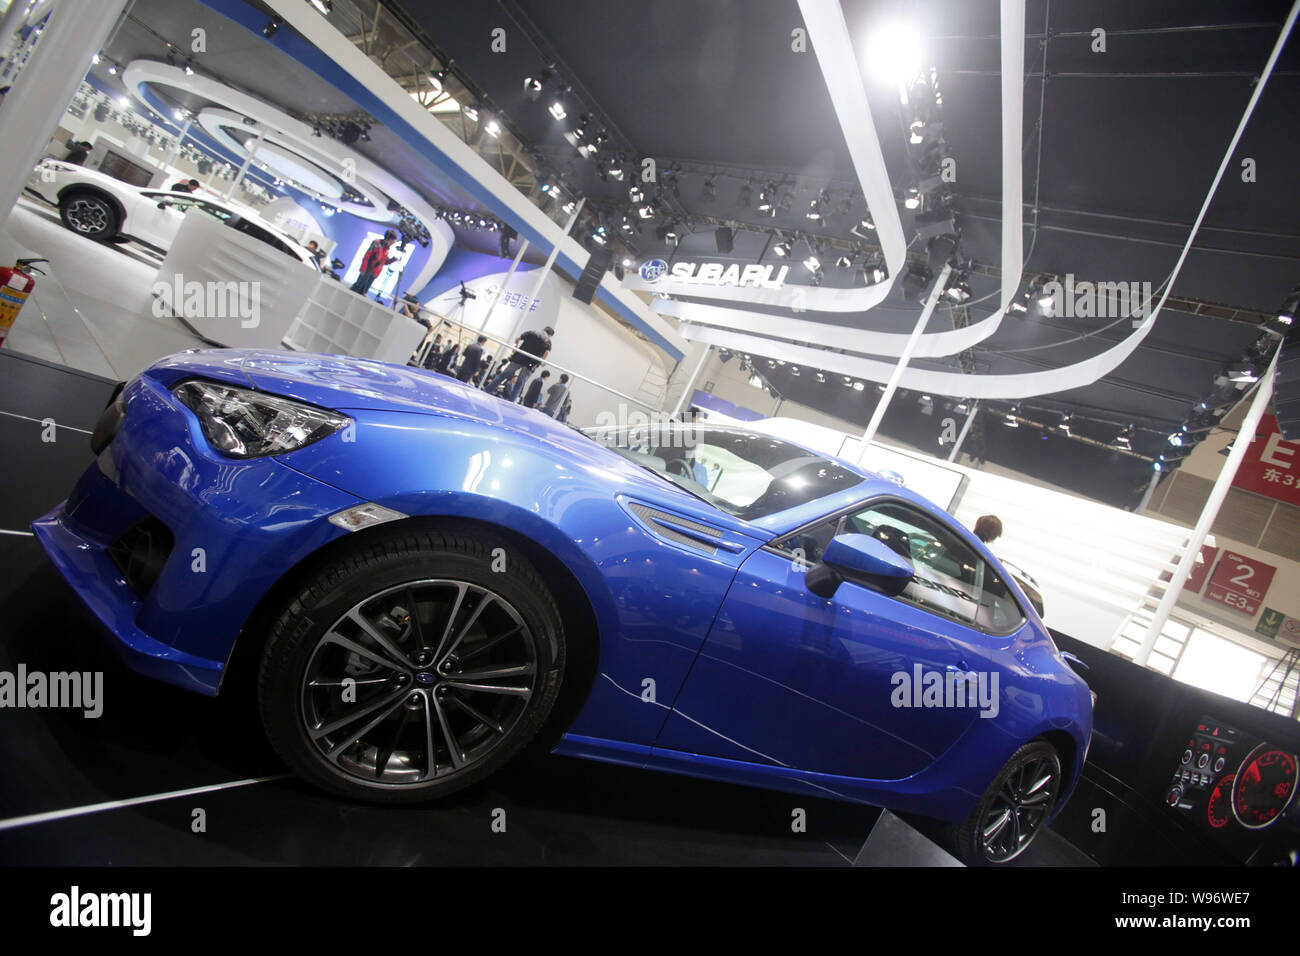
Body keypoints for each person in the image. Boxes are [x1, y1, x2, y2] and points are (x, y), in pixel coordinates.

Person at [484, 325, 553, 401]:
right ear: (550, 335)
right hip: (531, 363)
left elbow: (517, 339)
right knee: (520, 383)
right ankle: (511, 401)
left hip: (519, 358)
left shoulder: (532, 332)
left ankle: (487, 390)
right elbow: (547, 352)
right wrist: (540, 361)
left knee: (503, 375)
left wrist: (515, 348)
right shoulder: (548, 341)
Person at [350, 230, 396, 295]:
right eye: (393, 240)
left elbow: (383, 262)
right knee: (356, 289)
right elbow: (367, 256)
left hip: (374, 274)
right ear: (389, 239)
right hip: (367, 271)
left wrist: (393, 259)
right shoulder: (377, 243)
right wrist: (363, 269)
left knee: (363, 292)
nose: (393, 242)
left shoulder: (386, 249)